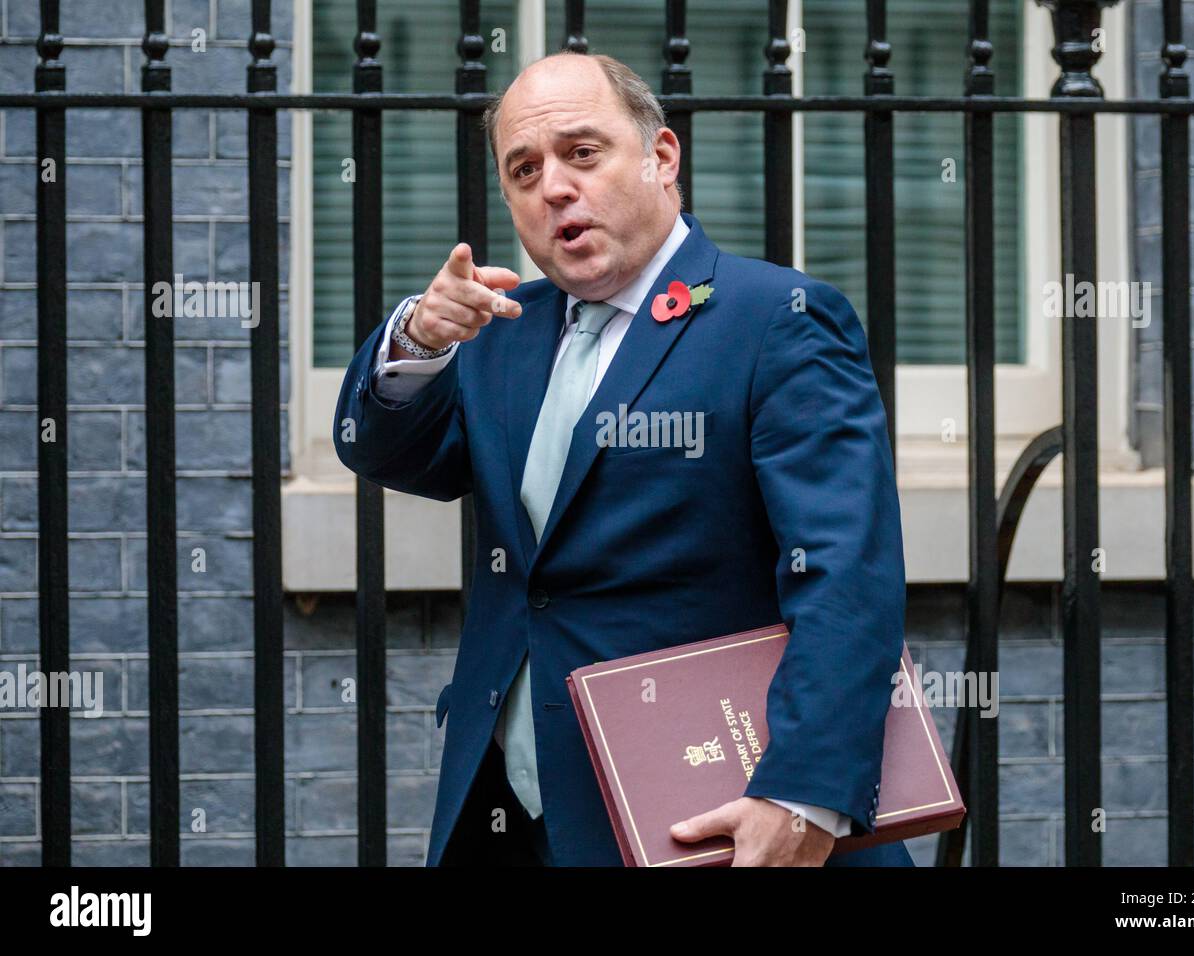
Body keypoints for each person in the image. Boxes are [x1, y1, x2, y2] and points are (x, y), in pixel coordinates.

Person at [334, 50, 912, 867]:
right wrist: (419, 339)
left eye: (582, 153)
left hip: (715, 812)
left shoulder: (775, 319)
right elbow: (393, 454)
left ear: (661, 157)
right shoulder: (500, 332)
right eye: (524, 169)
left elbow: (847, 574)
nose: (554, 188)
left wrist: (803, 795)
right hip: (516, 814)